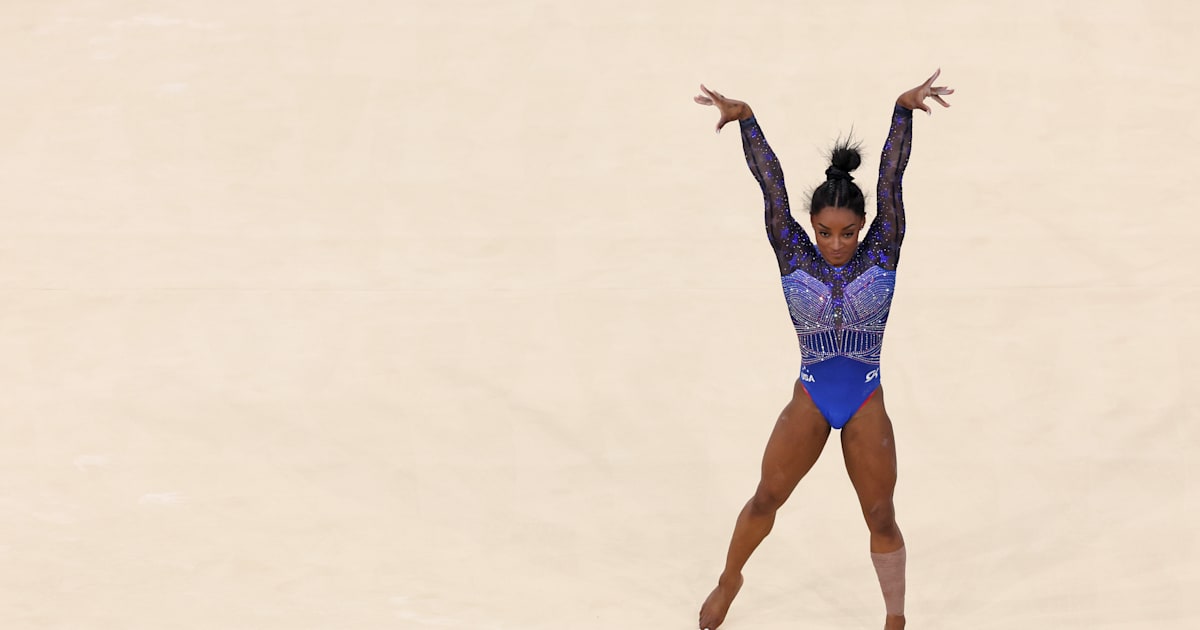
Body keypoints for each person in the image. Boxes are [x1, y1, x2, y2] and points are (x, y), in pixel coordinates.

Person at [691, 70, 954, 630]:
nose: (836, 244)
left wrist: (901, 112)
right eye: (826, 232)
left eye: (848, 232)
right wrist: (747, 121)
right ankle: (728, 579)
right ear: (810, 226)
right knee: (766, 498)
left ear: (864, 228)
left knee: (881, 514)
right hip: (811, 395)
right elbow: (770, 188)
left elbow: (891, 181)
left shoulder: (884, 251)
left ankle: (896, 619)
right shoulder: (793, 254)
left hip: (863, 397)